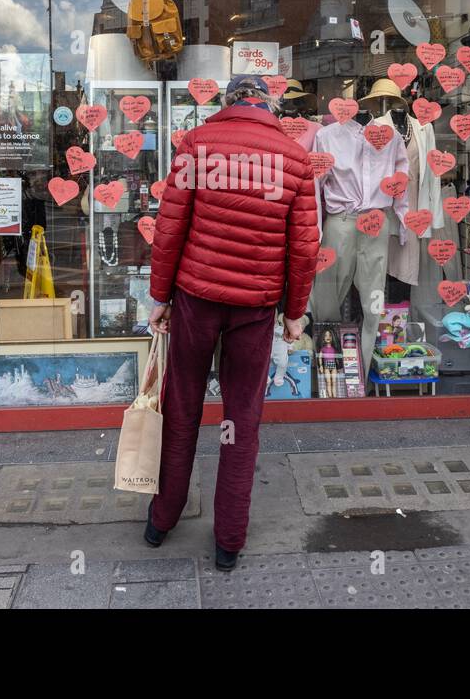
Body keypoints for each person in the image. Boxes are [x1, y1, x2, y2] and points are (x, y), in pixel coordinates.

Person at [144, 73, 319, 571]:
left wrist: (160, 296)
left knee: (182, 407)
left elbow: (169, 228)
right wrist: (294, 313)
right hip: (256, 306)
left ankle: (162, 518)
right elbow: (303, 249)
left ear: (226, 103)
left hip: (197, 297)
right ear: (267, 105)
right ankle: (229, 540)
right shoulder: (294, 158)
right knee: (240, 420)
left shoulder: (197, 144)